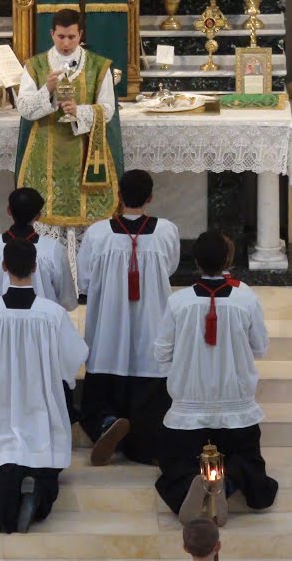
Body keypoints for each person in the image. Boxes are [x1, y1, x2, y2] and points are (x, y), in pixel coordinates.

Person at [0, 239, 89, 533]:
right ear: (34, 267)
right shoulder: (52, 314)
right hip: (40, 404)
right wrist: (54, 379)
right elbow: (74, 358)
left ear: (4, 268)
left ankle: (8, 493)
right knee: (41, 455)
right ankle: (37, 490)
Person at [154, 230, 278, 525]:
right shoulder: (245, 299)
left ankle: (190, 488)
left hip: (188, 410)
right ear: (228, 261)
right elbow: (260, 347)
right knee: (249, 463)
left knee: (175, 465)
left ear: (195, 261)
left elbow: (160, 353)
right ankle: (228, 483)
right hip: (236, 408)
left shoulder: (178, 302)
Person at [76, 169, 179, 466]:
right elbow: (170, 268)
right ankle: (146, 443)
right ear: (150, 198)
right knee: (152, 387)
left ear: (118, 196)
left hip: (110, 327)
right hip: (152, 324)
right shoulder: (166, 231)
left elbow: (83, 280)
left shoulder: (97, 233)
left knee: (101, 387)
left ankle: (107, 424)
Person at [15, 9, 123, 233]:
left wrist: (79, 111)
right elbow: (24, 108)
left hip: (84, 152)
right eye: (61, 36)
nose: (66, 43)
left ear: (80, 34)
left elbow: (108, 109)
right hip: (45, 152)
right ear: (51, 33)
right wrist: (48, 89)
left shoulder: (99, 66)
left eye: (72, 37)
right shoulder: (34, 66)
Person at [0, 187, 77, 310]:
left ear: (9, 211)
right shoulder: (54, 249)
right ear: (39, 215)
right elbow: (67, 301)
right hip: (41, 323)